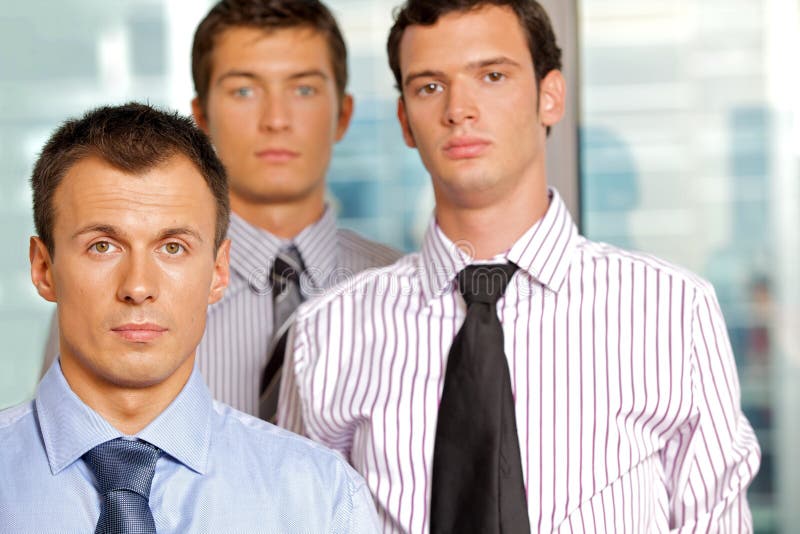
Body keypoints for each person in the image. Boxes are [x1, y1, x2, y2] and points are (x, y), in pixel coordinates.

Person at [277, 1, 761, 532]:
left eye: (492, 75)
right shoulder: (327, 331)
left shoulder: (672, 309)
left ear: (549, 96)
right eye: (429, 86)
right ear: (405, 122)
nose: (459, 108)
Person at [1, 103, 379, 532]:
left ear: (218, 272)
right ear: (43, 269)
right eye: (103, 246)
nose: (138, 286)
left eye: (173, 247)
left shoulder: (321, 498)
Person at [41, 0, 402, 420]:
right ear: (202, 117)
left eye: (303, 89)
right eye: (243, 90)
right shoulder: (115, 300)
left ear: (343, 114)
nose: (276, 119)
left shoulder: (409, 293)